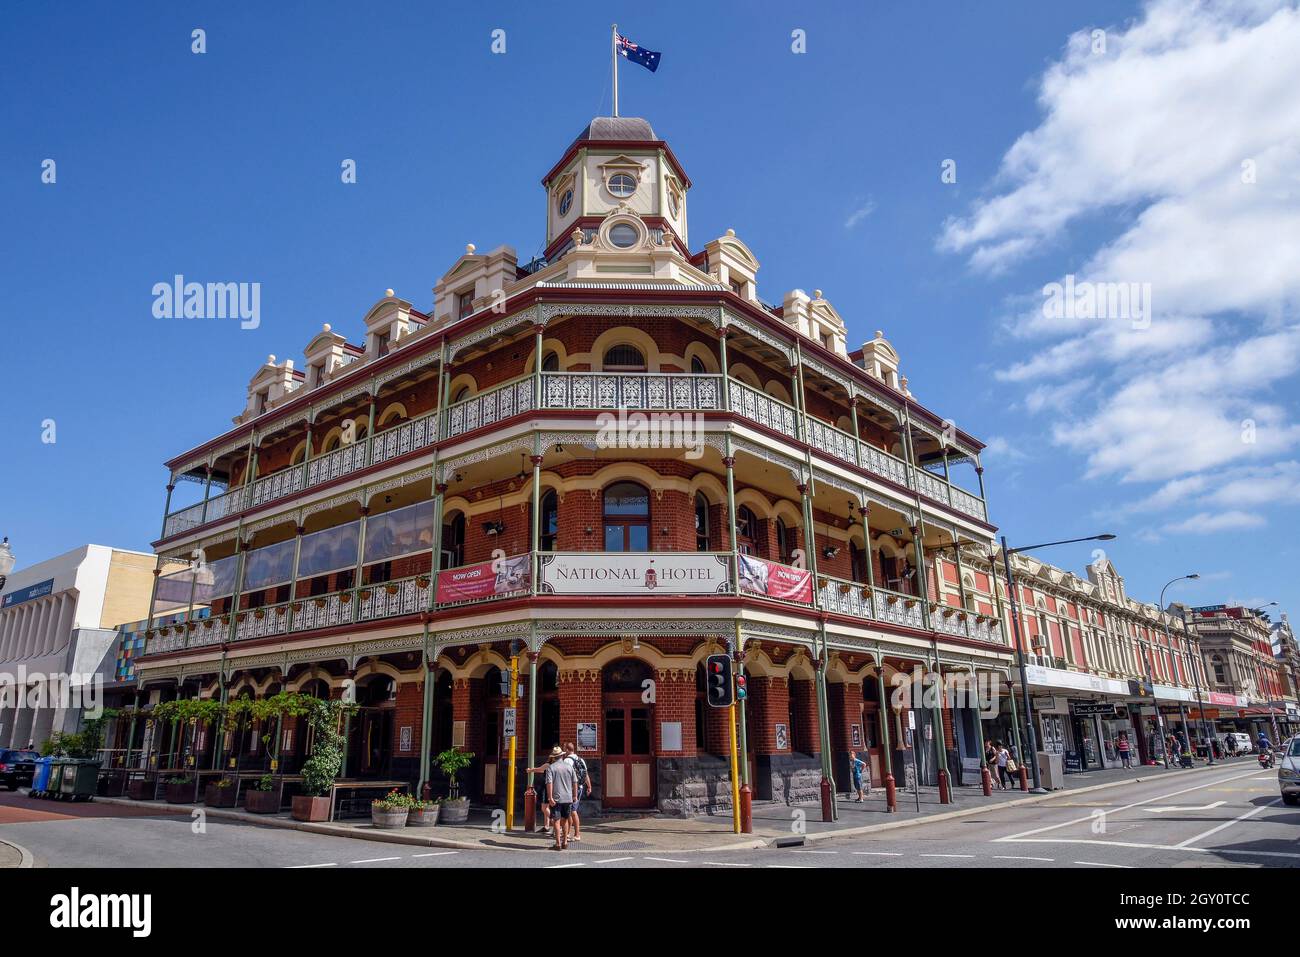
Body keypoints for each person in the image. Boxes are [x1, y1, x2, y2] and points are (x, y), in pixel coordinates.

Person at [544, 745, 578, 851]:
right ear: (562, 756)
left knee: (557, 821)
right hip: (568, 798)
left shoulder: (551, 768)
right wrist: (575, 796)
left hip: (556, 799)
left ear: (554, 757)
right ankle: (565, 842)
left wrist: (550, 798)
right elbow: (575, 782)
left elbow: (549, 783)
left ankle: (558, 844)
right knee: (565, 820)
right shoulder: (569, 767)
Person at [563, 741, 591, 841]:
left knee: (572, 811)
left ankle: (576, 834)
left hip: (570, 789)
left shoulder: (567, 761)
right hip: (580, 788)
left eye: (564, 748)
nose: (563, 751)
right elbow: (586, 774)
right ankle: (569, 833)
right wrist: (589, 787)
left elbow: (565, 776)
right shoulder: (581, 759)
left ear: (567, 750)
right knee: (571, 811)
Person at [525, 751, 557, 834]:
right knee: (548, 807)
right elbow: (542, 770)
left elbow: (540, 769)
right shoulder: (556, 765)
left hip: (547, 787)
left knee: (544, 808)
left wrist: (530, 770)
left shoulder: (548, 765)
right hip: (553, 787)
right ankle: (547, 826)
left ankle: (555, 824)